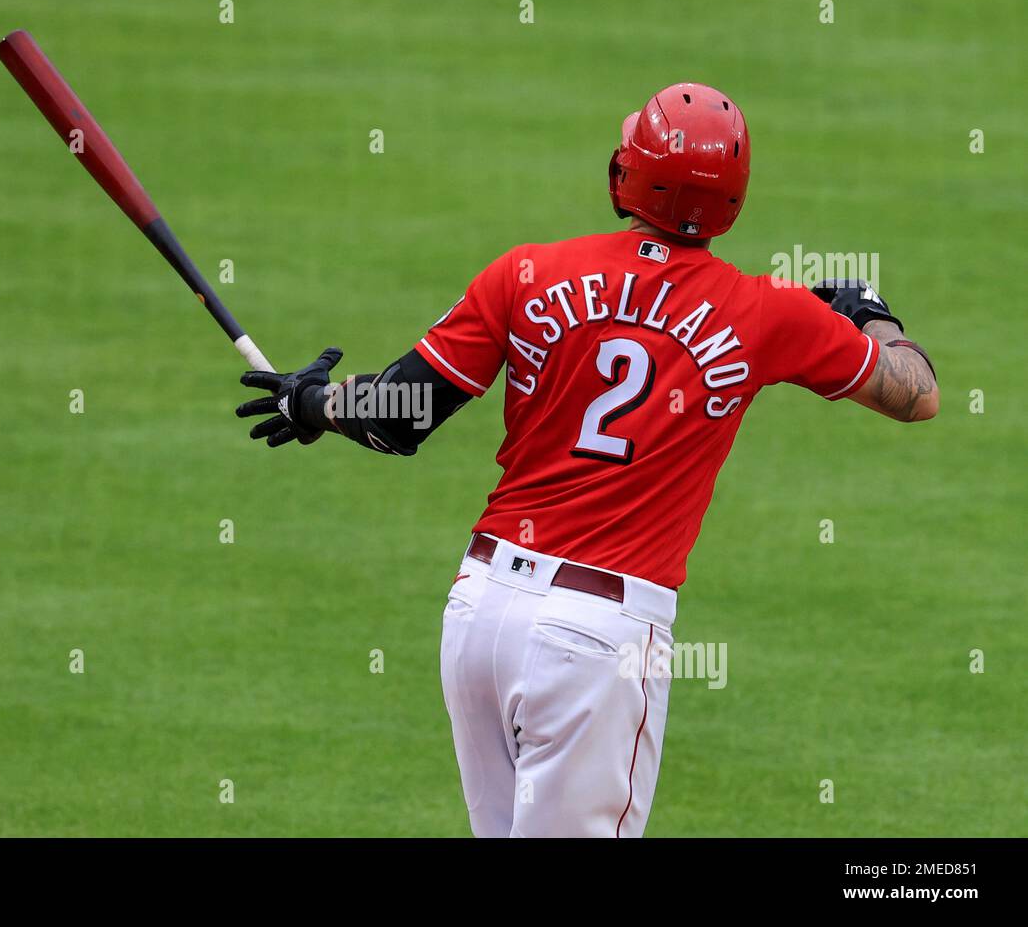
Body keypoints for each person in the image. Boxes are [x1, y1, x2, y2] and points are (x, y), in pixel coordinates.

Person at [235, 83, 939, 837]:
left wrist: (312, 405)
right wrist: (870, 312)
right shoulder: (767, 312)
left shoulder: (529, 273)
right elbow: (916, 394)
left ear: (626, 171)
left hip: (480, 614)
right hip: (597, 639)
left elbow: (401, 416)